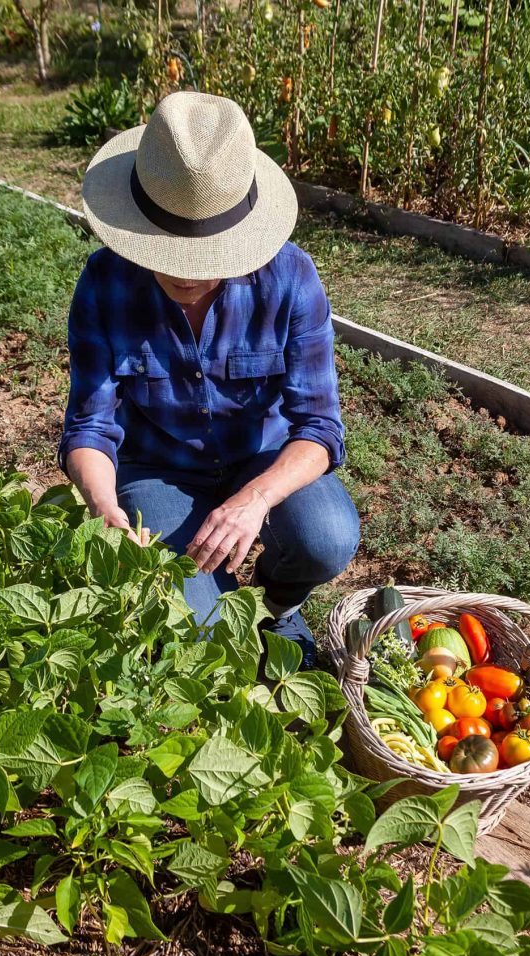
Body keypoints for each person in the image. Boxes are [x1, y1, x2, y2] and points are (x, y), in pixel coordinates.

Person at [58, 90, 360, 667]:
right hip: (158, 473)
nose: (184, 272)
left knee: (325, 535)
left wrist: (254, 499)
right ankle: (224, 609)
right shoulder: (104, 283)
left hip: (260, 458)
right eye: (166, 250)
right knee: (202, 634)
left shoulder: (291, 279)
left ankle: (279, 609)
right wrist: (103, 506)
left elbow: (319, 429)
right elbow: (89, 429)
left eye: (204, 255)